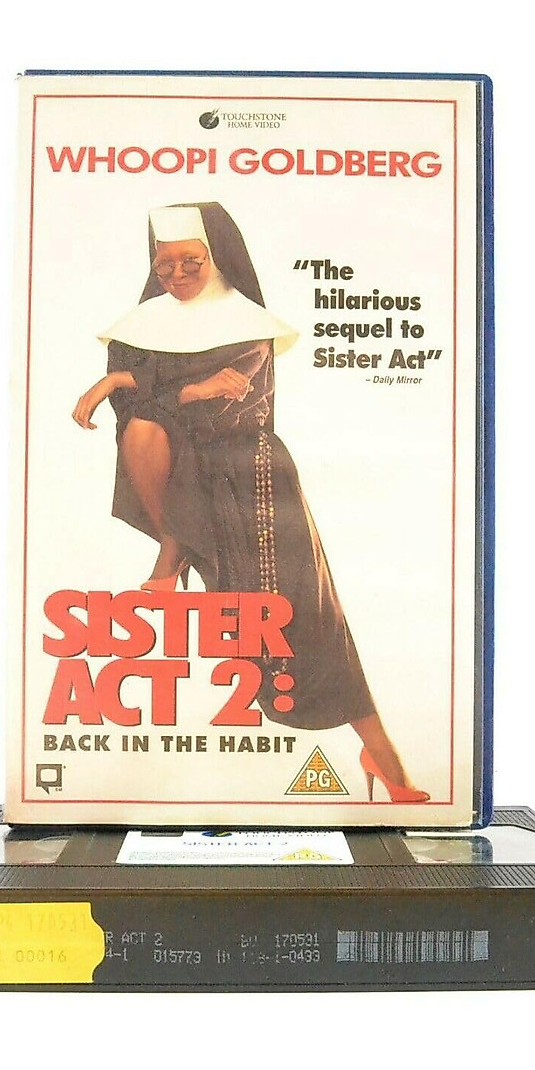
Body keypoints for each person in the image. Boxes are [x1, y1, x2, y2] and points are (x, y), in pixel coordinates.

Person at [72, 202, 428, 802]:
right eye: (164, 266)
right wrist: (128, 383)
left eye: (191, 262)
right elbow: (140, 416)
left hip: (253, 479)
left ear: (217, 258)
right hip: (185, 482)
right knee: (142, 430)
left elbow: (223, 408)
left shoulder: (249, 325)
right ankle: (174, 546)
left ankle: (384, 758)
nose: (177, 275)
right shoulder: (139, 327)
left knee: (309, 619)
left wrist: (142, 385)